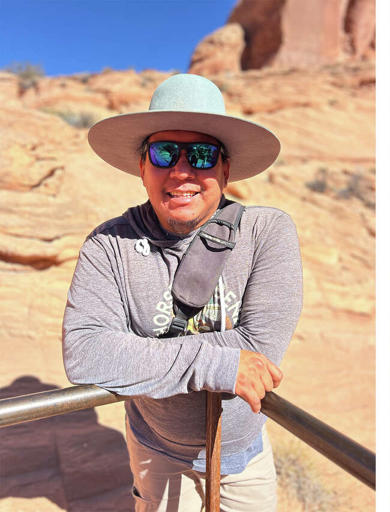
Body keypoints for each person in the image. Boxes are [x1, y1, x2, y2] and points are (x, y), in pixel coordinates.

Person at [62, 73, 302, 511]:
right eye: (164, 152)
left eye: (203, 155)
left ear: (226, 170)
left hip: (242, 453)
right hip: (154, 448)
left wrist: (138, 353)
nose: (182, 170)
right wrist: (220, 361)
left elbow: (261, 347)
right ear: (142, 167)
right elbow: (85, 352)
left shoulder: (266, 232)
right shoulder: (108, 244)